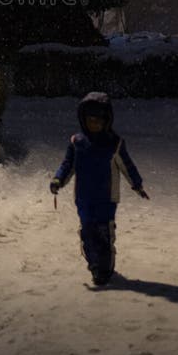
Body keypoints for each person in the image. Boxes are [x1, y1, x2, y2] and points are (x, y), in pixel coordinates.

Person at [49, 91, 149, 286]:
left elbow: (127, 166)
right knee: (88, 232)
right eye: (90, 120)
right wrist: (58, 180)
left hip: (106, 198)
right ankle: (94, 263)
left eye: (98, 120)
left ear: (106, 121)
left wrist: (137, 185)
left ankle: (105, 268)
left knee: (104, 233)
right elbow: (68, 165)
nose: (94, 124)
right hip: (84, 198)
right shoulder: (77, 142)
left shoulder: (114, 144)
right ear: (83, 119)